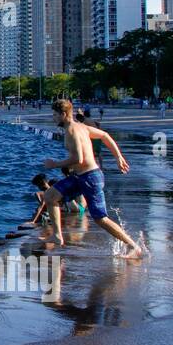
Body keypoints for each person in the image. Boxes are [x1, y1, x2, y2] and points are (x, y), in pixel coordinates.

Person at [37, 99, 144, 259]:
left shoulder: (72, 131)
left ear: (64, 114)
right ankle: (57, 236)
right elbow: (104, 135)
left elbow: (78, 159)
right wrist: (118, 157)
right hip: (81, 177)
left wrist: (55, 164)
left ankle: (133, 246)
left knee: (101, 218)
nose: (53, 118)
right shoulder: (82, 127)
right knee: (50, 196)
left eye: (54, 115)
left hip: (90, 177)